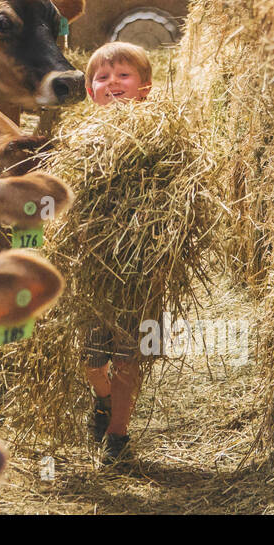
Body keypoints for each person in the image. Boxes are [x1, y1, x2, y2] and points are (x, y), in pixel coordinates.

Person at [82, 41, 153, 460]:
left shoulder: (161, 139)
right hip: (92, 268)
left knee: (128, 357)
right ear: (90, 92)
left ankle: (118, 435)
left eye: (124, 75)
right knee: (92, 361)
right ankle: (101, 396)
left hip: (141, 270)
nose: (113, 84)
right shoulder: (78, 143)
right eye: (103, 77)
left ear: (145, 87)